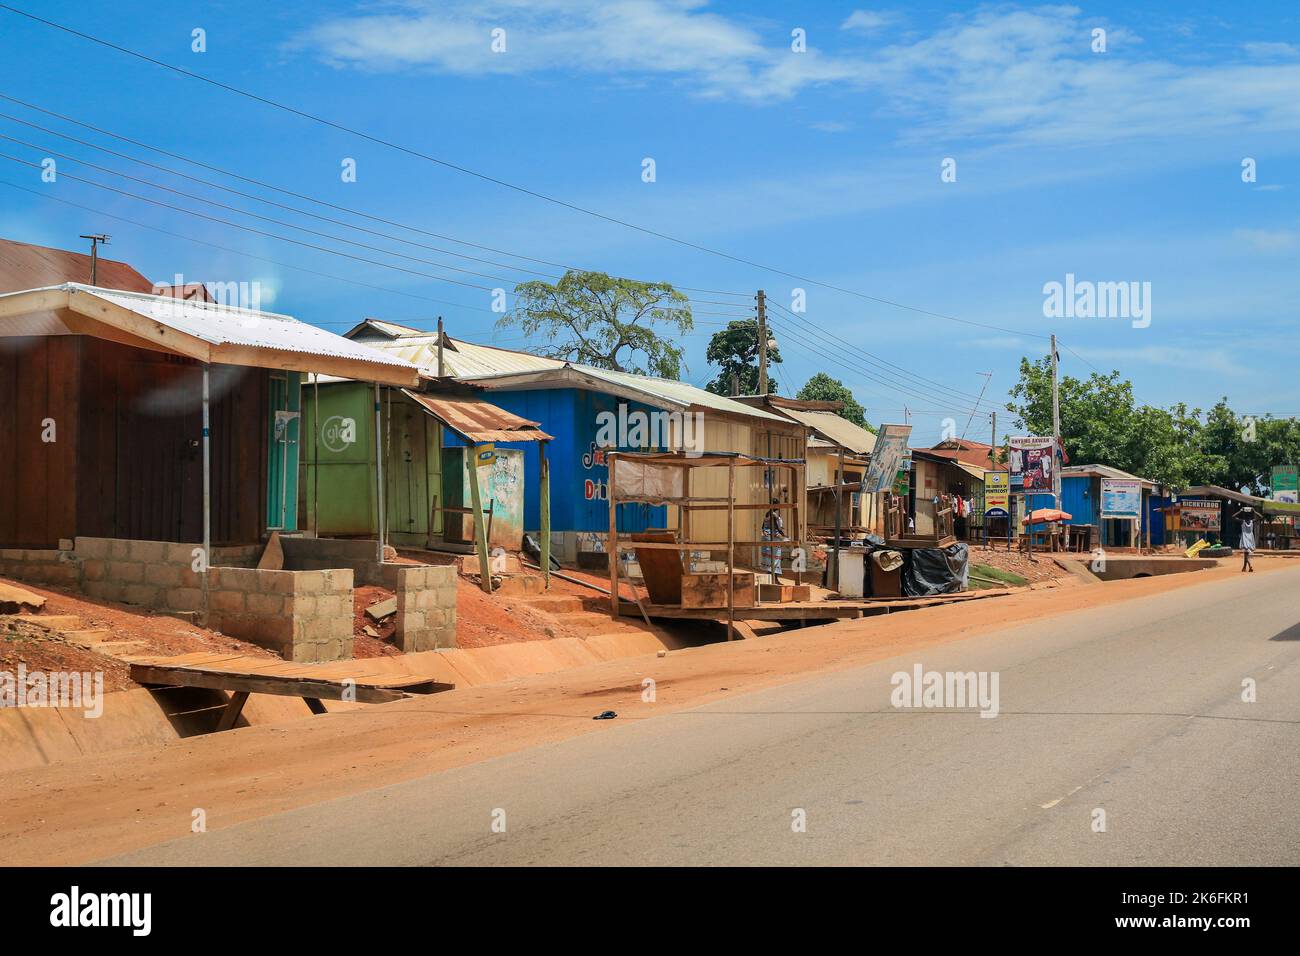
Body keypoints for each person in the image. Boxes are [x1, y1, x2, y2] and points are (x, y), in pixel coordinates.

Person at [1233, 505, 1258, 572]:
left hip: (1245, 538)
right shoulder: (1252, 521)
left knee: (1246, 553)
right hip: (1250, 537)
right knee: (1246, 553)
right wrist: (1254, 511)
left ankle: (1250, 566)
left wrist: (1240, 511)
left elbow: (1233, 517)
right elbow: (1261, 517)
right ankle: (1244, 567)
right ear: (1250, 517)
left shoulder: (1242, 521)